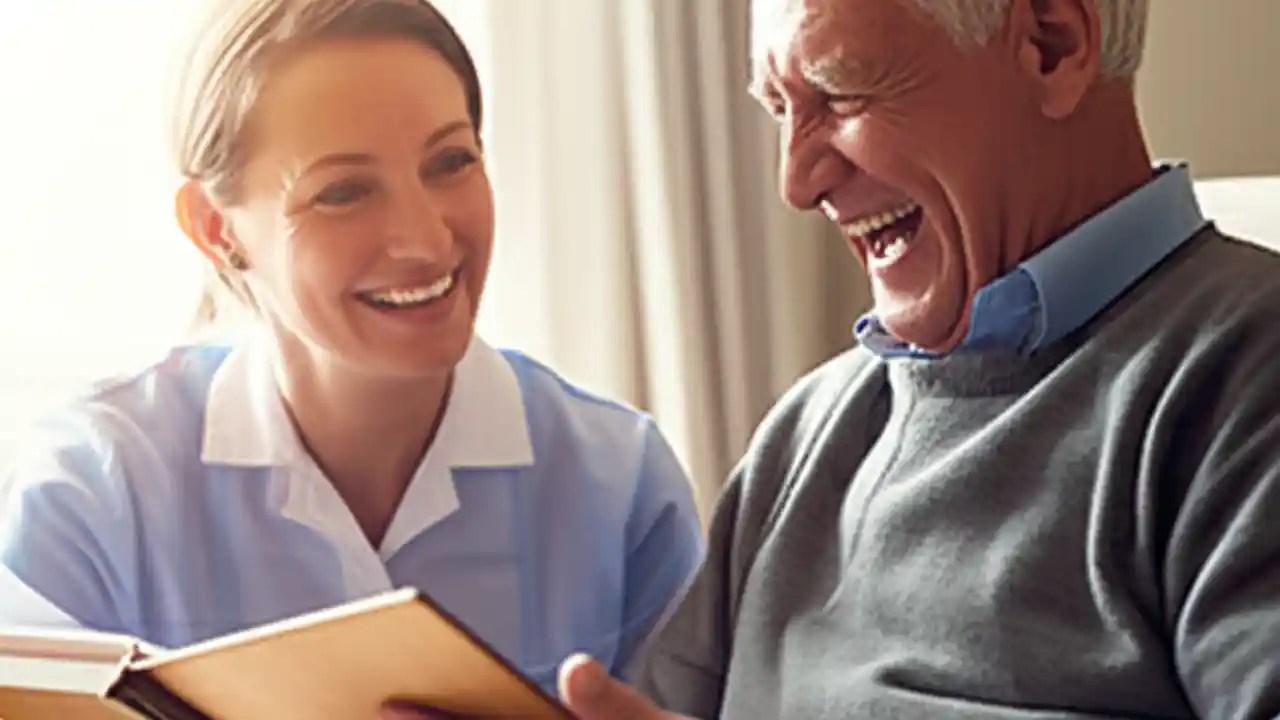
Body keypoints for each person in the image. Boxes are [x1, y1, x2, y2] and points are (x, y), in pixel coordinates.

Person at [387, 0, 1280, 718]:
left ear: (1051, 43)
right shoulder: (808, 434)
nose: (797, 179)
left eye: (841, 93)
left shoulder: (1241, 374)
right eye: (779, 109)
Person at [0, 0, 703, 698]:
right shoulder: (95, 493)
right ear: (217, 228)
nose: (426, 241)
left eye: (451, 161)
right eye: (343, 192)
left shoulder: (621, 487)